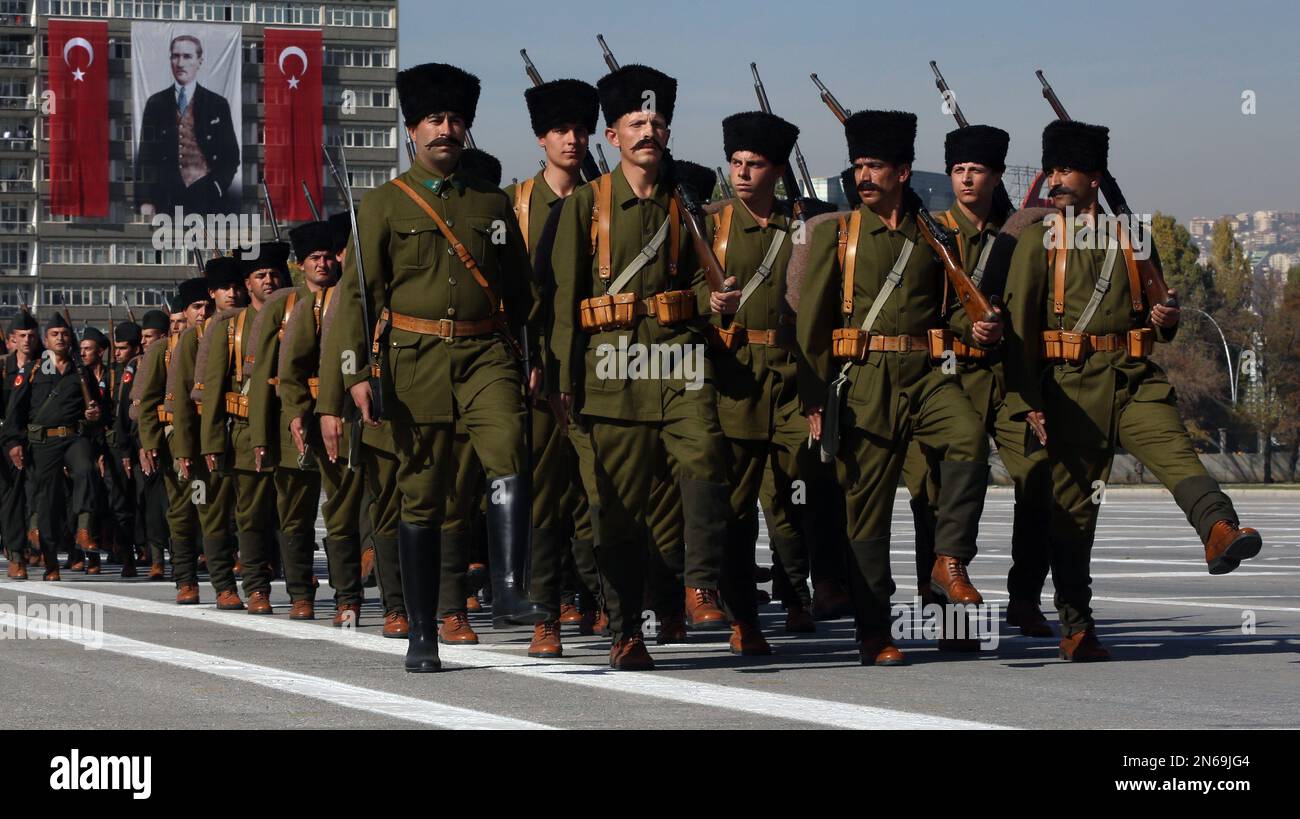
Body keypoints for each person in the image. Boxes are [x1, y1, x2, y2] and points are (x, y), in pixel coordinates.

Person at [1000, 119, 1263, 660]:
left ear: (1095, 177)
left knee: (1177, 455)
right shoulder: (1036, 241)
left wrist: (1166, 314)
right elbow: (1020, 331)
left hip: (1134, 379)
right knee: (1074, 512)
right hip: (1069, 388)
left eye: (1068, 169)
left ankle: (1219, 529)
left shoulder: (1132, 237)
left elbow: (1160, 313)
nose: (1056, 180)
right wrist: (1025, 401)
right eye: (1052, 169)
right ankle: (1077, 625)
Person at [328, 62, 541, 672]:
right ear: (411, 129)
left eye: (455, 120)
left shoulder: (493, 202)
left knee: (509, 447)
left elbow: (520, 291)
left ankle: (506, 587)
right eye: (433, 120)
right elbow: (357, 297)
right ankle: (423, 631)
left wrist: (536, 357)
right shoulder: (383, 206)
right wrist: (356, 374)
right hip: (413, 363)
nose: (446, 129)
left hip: (485, 356)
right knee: (419, 496)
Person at [796, 110, 1002, 666]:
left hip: (927, 375)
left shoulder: (938, 235)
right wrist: (813, 398)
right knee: (866, 513)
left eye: (876, 166)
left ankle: (949, 559)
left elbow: (954, 313)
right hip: (862, 382)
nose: (864, 176)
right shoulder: (839, 235)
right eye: (859, 165)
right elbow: (811, 325)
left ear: (903, 172)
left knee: (968, 441)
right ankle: (873, 632)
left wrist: (977, 327)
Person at [550, 63, 736, 670]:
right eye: (636, 122)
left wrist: (716, 303)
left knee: (708, 452)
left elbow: (698, 286)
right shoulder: (584, 207)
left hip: (679, 361)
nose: (648, 131)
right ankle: (626, 630)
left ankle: (699, 584)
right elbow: (563, 303)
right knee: (618, 513)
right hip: (612, 372)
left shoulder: (687, 203)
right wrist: (562, 381)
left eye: (657, 121)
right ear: (613, 137)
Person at [503, 76, 600, 658]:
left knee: (599, 493)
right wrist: (529, 359)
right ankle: (548, 613)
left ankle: (598, 601)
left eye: (580, 130)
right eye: (561, 130)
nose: (572, 140)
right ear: (541, 138)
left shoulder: (606, 201)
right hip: (536, 370)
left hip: (600, 365)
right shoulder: (515, 205)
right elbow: (510, 295)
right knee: (544, 498)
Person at [3, 312, 103, 581]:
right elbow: (16, 411)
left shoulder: (79, 370)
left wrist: (94, 415)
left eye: (65, 333)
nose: (61, 338)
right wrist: (13, 442)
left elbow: (99, 408)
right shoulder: (33, 369)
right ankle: (50, 563)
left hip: (73, 437)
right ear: (45, 341)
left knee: (85, 470)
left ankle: (84, 529)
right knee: (47, 502)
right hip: (44, 442)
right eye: (55, 334)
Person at [135, 34, 239, 218]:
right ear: (170, 60)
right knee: (171, 246)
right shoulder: (156, 103)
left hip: (206, 196)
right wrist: (146, 199)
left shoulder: (217, 104)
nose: (180, 63)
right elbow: (146, 156)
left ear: (199, 61)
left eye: (187, 56)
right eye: (175, 56)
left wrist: (217, 185)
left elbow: (231, 155)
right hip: (167, 196)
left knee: (207, 245)